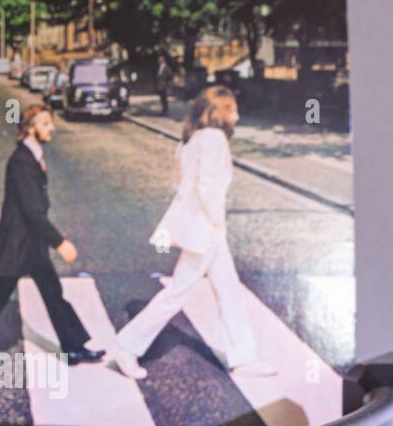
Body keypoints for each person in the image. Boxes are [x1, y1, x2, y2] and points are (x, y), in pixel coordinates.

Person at [109, 86, 275, 380]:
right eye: (231, 108)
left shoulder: (191, 139)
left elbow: (179, 182)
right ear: (218, 112)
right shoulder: (214, 138)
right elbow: (207, 187)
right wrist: (217, 221)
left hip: (204, 229)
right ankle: (127, 346)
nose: (236, 114)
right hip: (207, 230)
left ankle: (244, 359)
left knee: (229, 292)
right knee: (177, 293)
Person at [0, 104, 104, 369]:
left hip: (31, 243)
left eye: (50, 123)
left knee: (53, 293)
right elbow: (31, 212)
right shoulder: (21, 162)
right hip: (18, 244)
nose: (51, 128)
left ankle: (74, 347)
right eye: (44, 124)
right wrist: (60, 241)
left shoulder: (32, 156)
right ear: (30, 128)